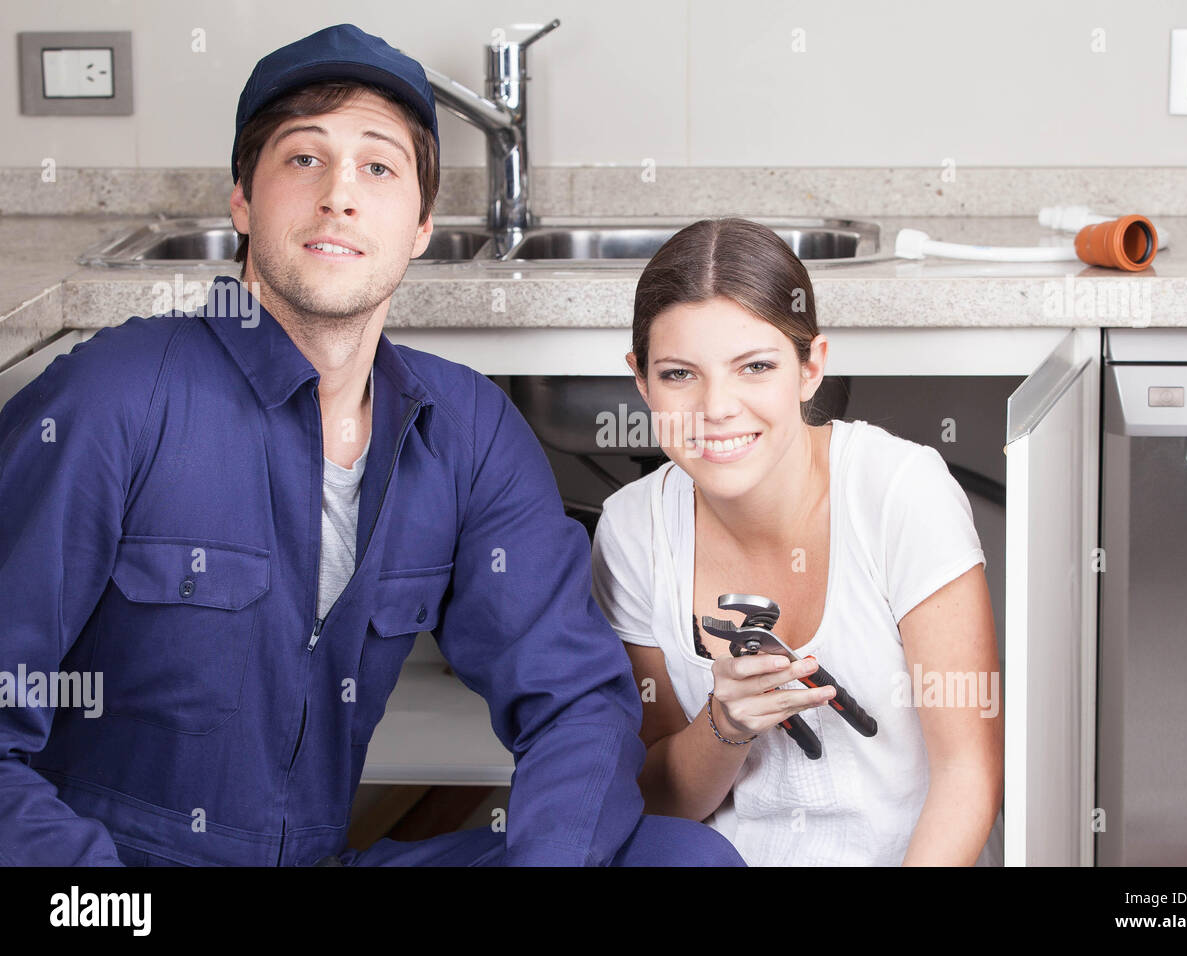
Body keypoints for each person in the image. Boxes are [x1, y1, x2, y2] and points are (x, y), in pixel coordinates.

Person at [0, 24, 742, 868]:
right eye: (304, 159)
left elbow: (574, 703)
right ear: (242, 201)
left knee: (680, 860)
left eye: (378, 166)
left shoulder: (463, 430)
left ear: (423, 223)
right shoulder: (114, 398)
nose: (339, 195)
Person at [591, 218, 1005, 865]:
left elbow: (967, 779)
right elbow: (659, 803)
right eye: (679, 375)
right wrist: (723, 726)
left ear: (811, 367)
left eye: (755, 366)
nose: (716, 407)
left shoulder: (901, 493)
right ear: (640, 380)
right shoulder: (629, 531)